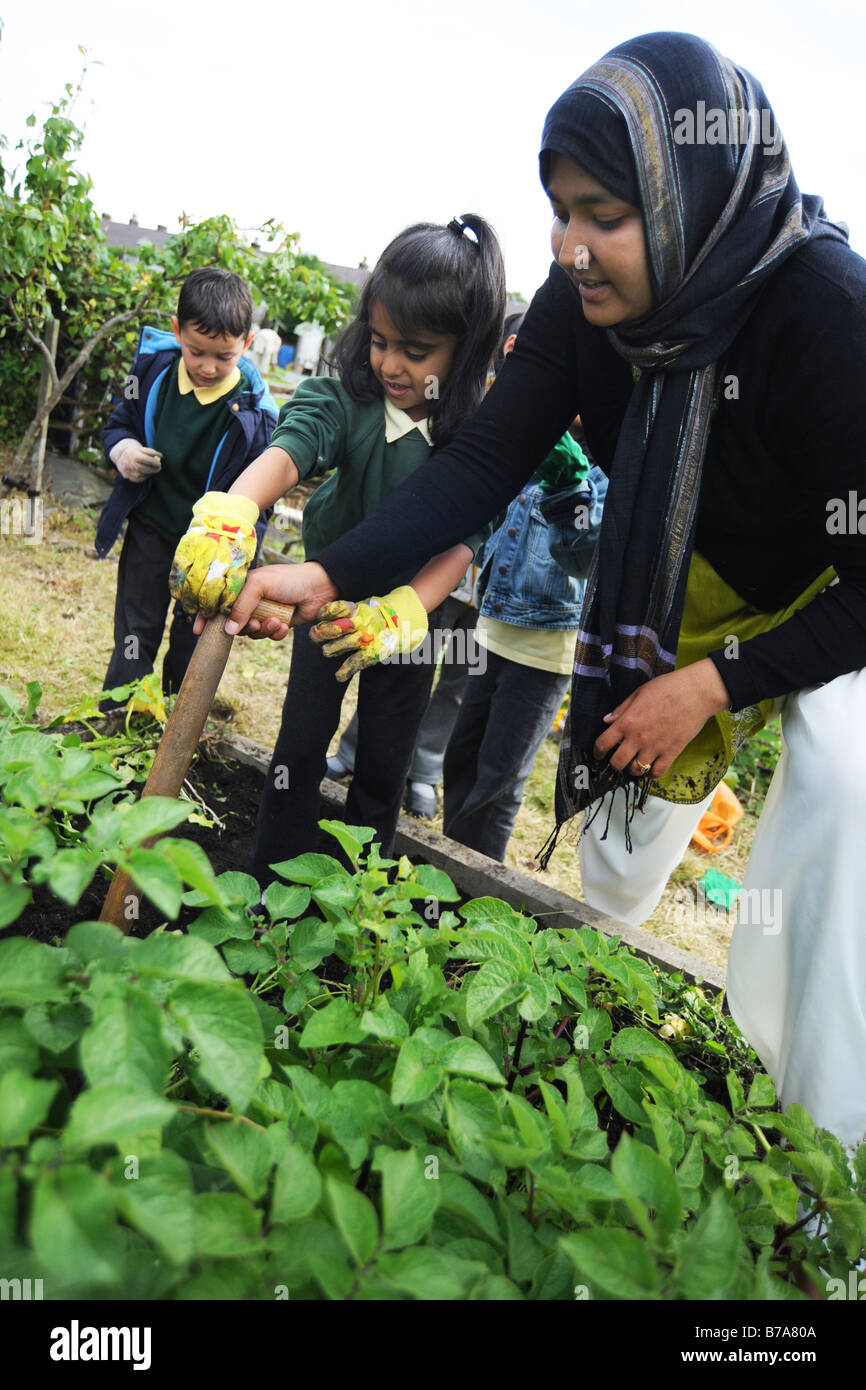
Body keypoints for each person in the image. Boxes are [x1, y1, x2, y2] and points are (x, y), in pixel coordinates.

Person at [215, 34, 866, 1153]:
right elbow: (479, 467)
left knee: (833, 830)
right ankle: (586, 1054)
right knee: (615, 856)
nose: (568, 249)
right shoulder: (579, 308)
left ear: (683, 197)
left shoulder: (824, 313)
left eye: (601, 214)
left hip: (824, 593)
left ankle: (825, 1157)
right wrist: (328, 571)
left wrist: (719, 684)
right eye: (557, 211)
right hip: (670, 590)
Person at [172, 214, 505, 882]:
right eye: (379, 341)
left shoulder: (475, 438)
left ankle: (361, 896)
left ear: (465, 351)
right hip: (326, 601)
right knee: (300, 743)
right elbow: (296, 443)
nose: (389, 363)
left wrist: (407, 610)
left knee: (385, 761)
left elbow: (467, 534)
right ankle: (272, 882)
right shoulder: (350, 402)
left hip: (410, 618)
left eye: (415, 349)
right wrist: (235, 510)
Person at [442, 319, 606, 860]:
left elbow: (584, 557)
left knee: (498, 781)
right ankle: (445, 871)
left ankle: (475, 894)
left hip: (546, 646)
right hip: (493, 629)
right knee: (461, 757)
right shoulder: (520, 441)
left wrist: (570, 486)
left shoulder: (598, 462)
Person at [96, 267, 276, 705]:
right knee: (135, 632)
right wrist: (124, 452)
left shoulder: (256, 413)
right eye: (196, 352)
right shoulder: (151, 371)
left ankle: (172, 727)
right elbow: (118, 424)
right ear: (177, 331)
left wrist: (238, 559)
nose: (209, 367)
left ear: (246, 345)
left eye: (225, 356)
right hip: (152, 528)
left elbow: (262, 500)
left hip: (209, 554)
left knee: (190, 641)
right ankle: (115, 716)